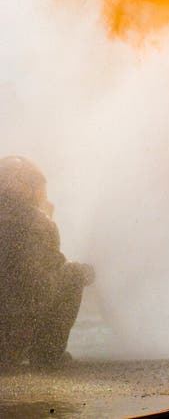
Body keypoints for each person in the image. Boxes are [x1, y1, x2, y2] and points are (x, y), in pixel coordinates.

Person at [0, 155, 95, 368]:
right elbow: (44, 278)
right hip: (10, 344)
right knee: (74, 273)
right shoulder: (37, 221)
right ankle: (47, 354)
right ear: (30, 189)